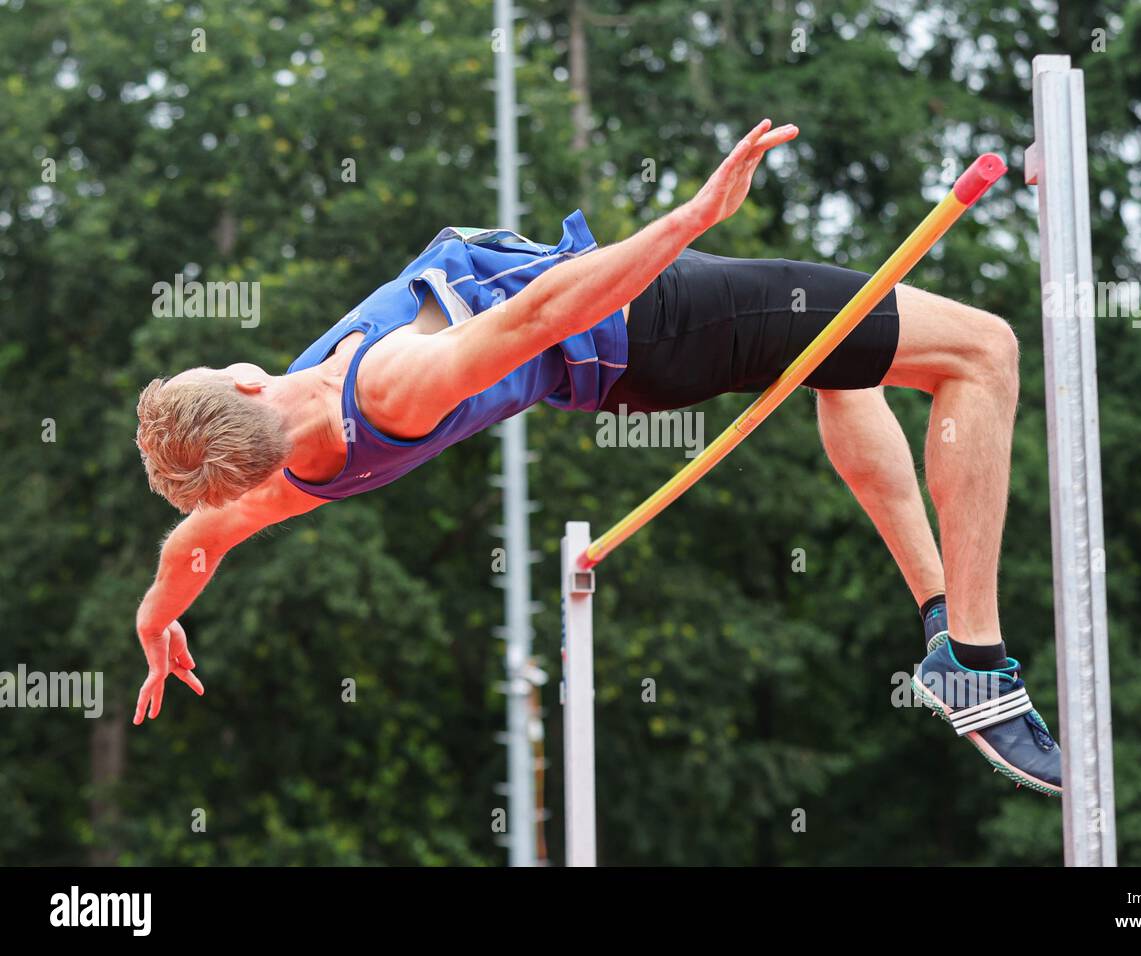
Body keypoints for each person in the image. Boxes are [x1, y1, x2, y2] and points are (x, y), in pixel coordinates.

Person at [134, 120, 1061, 795]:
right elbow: (543, 315)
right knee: (982, 352)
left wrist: (155, 628)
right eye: (211, 360)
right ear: (248, 385)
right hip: (658, 323)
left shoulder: (269, 482)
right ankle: (976, 657)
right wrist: (690, 218)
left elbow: (186, 554)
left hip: (635, 357)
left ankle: (940, 617)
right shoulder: (387, 386)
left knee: (842, 367)